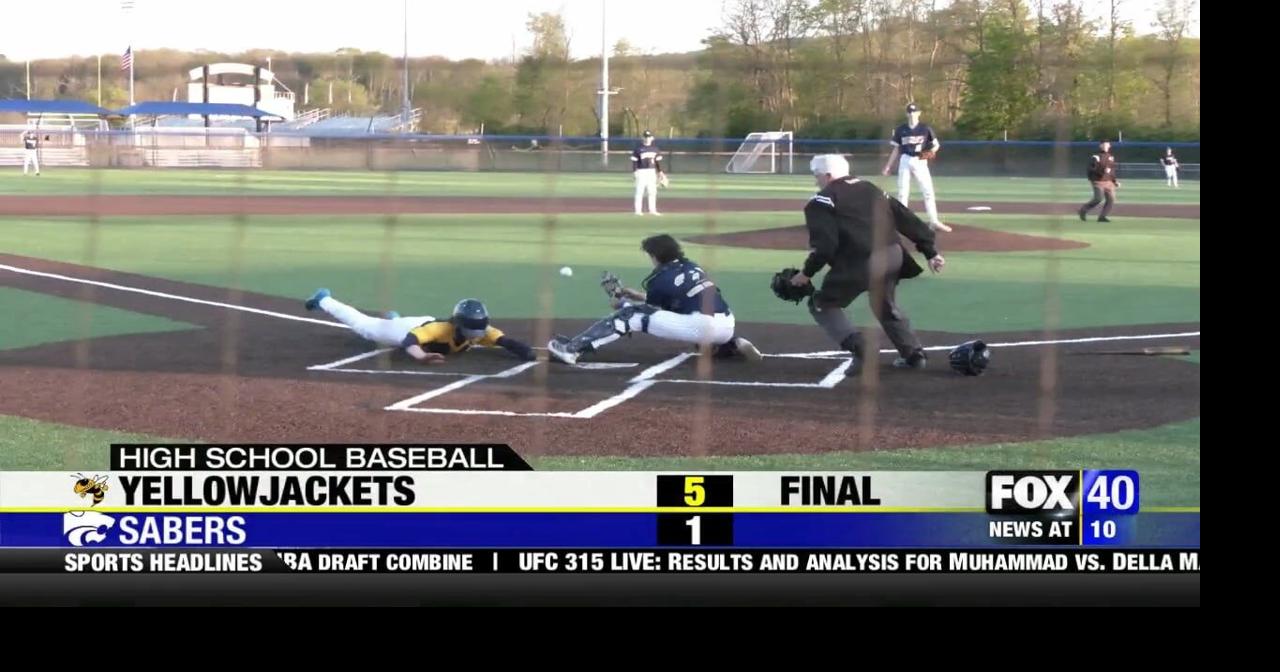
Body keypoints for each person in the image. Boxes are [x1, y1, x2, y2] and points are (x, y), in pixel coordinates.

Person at [790, 154, 945, 376]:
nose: (816, 181)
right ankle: (913, 354)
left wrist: (806, 274)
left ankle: (862, 349)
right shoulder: (872, 188)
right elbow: (906, 218)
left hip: (860, 261)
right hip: (893, 255)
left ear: (828, 175)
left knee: (822, 304)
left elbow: (825, 247)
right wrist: (931, 252)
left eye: (817, 176)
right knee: (884, 304)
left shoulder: (821, 201)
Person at [546, 234, 761, 365]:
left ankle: (572, 350)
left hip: (701, 324)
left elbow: (649, 311)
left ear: (656, 255)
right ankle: (731, 346)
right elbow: (675, 300)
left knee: (630, 315)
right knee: (688, 328)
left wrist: (622, 304)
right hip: (725, 323)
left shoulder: (660, 279)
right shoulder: (691, 266)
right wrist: (632, 294)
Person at [304, 289, 534, 363]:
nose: (476, 335)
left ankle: (393, 319)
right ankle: (324, 299)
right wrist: (421, 357)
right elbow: (409, 342)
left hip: (419, 322)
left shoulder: (481, 331)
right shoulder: (440, 330)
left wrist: (533, 355)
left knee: (387, 326)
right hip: (408, 330)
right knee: (365, 328)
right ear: (458, 324)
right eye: (472, 330)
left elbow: (510, 343)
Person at [882, 103, 949, 232]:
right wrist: (888, 166)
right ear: (907, 114)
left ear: (919, 113)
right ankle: (902, 222)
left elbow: (936, 145)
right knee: (903, 192)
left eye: (914, 112)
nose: (912, 114)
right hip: (905, 159)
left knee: (928, 191)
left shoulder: (925, 128)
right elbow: (896, 149)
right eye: (910, 112)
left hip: (920, 160)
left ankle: (934, 221)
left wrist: (926, 155)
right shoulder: (901, 129)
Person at [1078, 140, 1119, 223]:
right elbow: (1091, 169)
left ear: (1109, 146)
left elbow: (1112, 171)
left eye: (1107, 145)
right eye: (1103, 145)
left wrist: (1114, 181)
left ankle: (1102, 217)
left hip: (1108, 182)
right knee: (1098, 198)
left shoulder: (1111, 157)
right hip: (1098, 181)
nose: (1105, 146)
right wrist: (1101, 172)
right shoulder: (1096, 157)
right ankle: (1083, 210)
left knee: (1111, 199)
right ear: (1100, 146)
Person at [631, 130, 666, 216]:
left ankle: (652, 210)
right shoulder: (638, 149)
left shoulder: (655, 149)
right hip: (641, 171)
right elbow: (634, 162)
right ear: (643, 138)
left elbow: (657, 162)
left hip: (651, 172)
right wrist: (635, 172)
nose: (647, 139)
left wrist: (660, 172)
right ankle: (638, 211)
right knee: (639, 191)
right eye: (645, 137)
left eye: (649, 137)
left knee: (652, 191)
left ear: (652, 138)